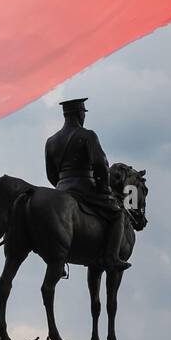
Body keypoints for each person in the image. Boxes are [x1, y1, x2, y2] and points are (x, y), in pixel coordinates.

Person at [44, 97, 129, 271]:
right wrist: (104, 189)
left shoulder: (51, 141)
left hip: (61, 189)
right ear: (79, 114)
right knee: (118, 214)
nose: (84, 116)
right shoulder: (88, 135)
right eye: (83, 112)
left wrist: (61, 187)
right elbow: (99, 165)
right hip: (85, 188)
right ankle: (112, 257)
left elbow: (50, 174)